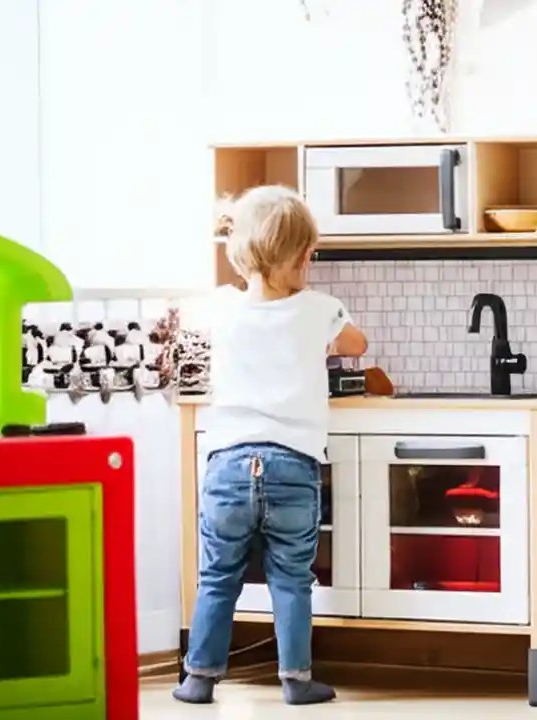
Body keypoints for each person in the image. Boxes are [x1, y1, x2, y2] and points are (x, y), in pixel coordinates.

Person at [174, 185, 368, 706]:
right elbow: (358, 345)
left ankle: (199, 677)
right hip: (292, 466)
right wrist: (323, 336)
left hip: (229, 464)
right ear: (305, 257)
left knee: (217, 575)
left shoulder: (220, 307)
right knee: (291, 578)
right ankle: (297, 680)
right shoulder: (319, 307)